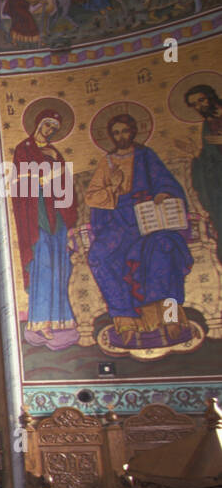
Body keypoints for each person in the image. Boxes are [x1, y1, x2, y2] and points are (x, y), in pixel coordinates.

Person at [85, 113, 192, 348]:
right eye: (116, 133)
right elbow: (93, 197)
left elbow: (166, 182)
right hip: (119, 223)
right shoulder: (108, 162)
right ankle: (125, 321)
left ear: (133, 132)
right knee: (98, 257)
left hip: (149, 219)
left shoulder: (146, 156)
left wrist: (163, 193)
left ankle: (171, 317)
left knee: (164, 249)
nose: (120, 136)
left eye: (124, 131)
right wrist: (112, 185)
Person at [11, 108, 77, 339]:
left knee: (61, 264)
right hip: (36, 210)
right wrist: (43, 179)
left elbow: (64, 182)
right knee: (43, 261)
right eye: (47, 125)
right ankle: (40, 321)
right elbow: (21, 180)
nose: (49, 131)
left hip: (56, 210)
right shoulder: (24, 148)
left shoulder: (54, 151)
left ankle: (60, 319)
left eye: (54, 129)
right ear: (38, 123)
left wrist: (55, 180)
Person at [181, 83, 222, 252]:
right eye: (194, 104)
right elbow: (210, 155)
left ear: (211, 96)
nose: (199, 106)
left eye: (201, 100)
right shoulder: (207, 124)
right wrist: (195, 157)